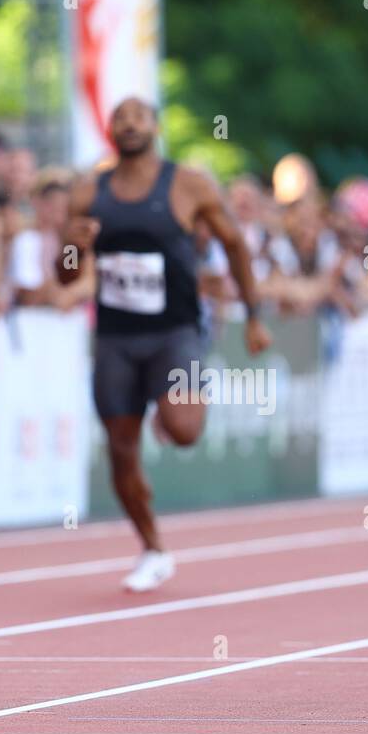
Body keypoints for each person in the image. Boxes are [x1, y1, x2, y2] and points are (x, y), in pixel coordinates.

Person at [63, 97, 271, 591]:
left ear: (155, 127)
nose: (129, 123)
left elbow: (236, 245)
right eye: (121, 116)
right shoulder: (89, 191)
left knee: (183, 429)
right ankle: (153, 546)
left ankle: (167, 404)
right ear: (110, 130)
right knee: (120, 450)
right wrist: (77, 246)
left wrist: (254, 315)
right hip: (115, 337)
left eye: (139, 116)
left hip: (175, 332)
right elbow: (65, 268)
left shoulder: (189, 183)